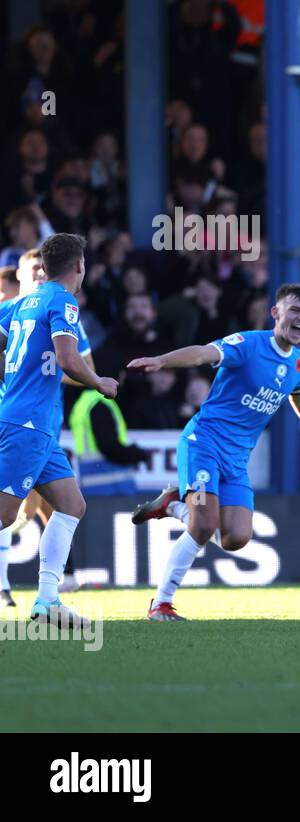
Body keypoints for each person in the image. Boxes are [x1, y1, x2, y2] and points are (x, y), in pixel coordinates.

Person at [125, 283, 300, 620]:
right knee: (203, 525)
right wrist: (161, 360)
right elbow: (202, 353)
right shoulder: (248, 344)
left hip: (237, 459)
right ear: (276, 313)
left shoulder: (299, 363)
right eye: (294, 310)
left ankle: (173, 505)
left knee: (236, 538)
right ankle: (161, 604)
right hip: (204, 444)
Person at [0, 234, 118, 626]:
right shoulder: (62, 301)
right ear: (79, 266)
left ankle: (47, 602)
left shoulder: (21, 303)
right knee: (3, 515)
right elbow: (69, 359)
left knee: (71, 505)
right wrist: (100, 382)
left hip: (38, 425)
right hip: (28, 423)